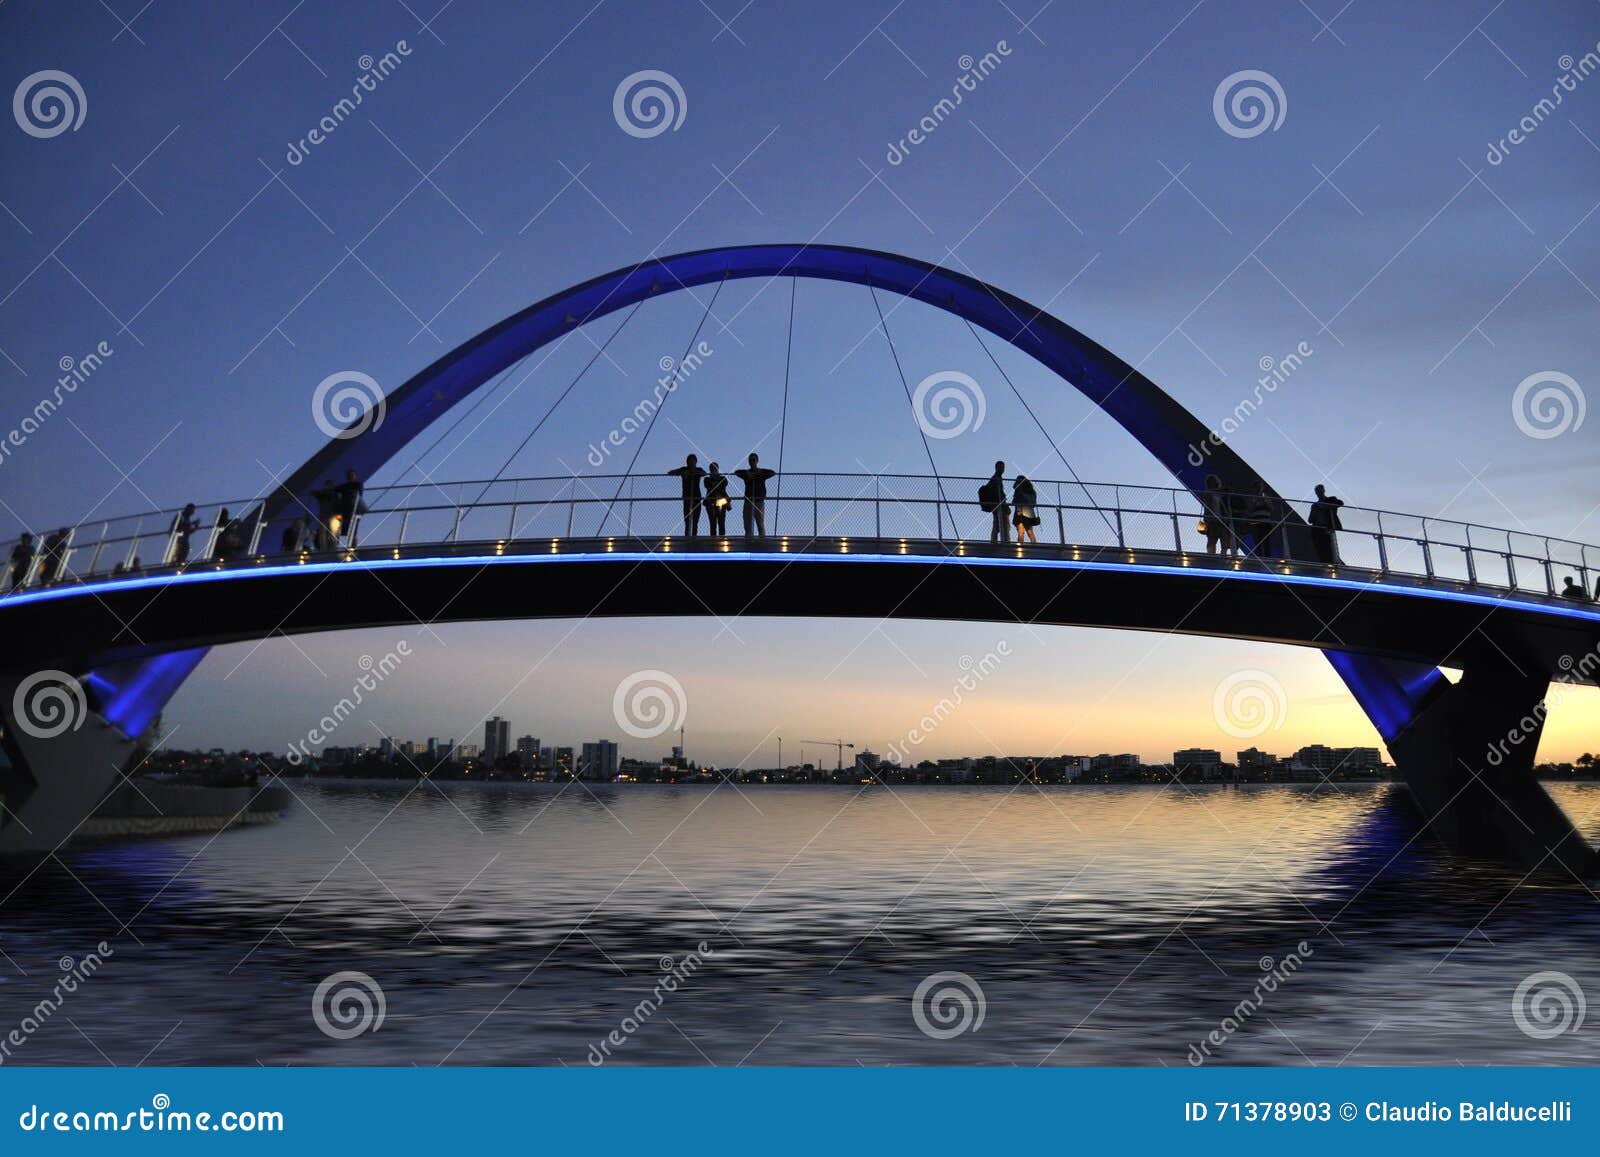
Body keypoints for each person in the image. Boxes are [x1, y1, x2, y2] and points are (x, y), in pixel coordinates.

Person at [733, 452, 776, 539]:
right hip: (748, 501)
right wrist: (748, 474)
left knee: (760, 523)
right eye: (750, 460)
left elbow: (772, 473)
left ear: (757, 461)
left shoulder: (762, 472)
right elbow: (736, 472)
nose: (751, 462)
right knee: (748, 524)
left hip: (759, 501)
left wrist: (758, 474)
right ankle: (748, 541)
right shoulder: (746, 473)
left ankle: (762, 540)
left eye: (753, 460)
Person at [667, 454, 706, 537]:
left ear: (696, 462)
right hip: (687, 498)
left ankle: (694, 537)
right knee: (687, 519)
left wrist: (694, 472)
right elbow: (670, 472)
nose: (691, 463)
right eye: (690, 461)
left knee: (695, 519)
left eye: (693, 461)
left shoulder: (698, 469)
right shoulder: (684, 469)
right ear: (687, 462)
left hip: (696, 497)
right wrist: (683, 472)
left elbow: (704, 473)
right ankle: (687, 537)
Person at [1308, 483, 1344, 565]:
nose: (1318, 493)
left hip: (1328, 528)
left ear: (1323, 491)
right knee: (1319, 547)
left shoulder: (1331, 499)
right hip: (1317, 529)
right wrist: (1315, 511)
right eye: (1317, 491)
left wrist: (1327, 506)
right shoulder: (1315, 505)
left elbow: (1341, 503)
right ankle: (1323, 563)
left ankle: (1330, 563)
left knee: (1330, 547)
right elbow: (1310, 520)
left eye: (1320, 491)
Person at [1200, 474, 1233, 556]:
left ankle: (1223, 556)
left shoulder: (1219, 494)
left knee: (1224, 539)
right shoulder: (1209, 493)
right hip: (1212, 520)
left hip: (1222, 519)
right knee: (1212, 539)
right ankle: (1211, 555)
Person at [1243, 482, 1278, 559]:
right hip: (1255, 523)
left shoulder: (1266, 497)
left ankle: (1267, 559)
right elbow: (1249, 509)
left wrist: (1265, 501)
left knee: (1266, 542)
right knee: (1257, 542)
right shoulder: (1251, 498)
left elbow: (1272, 508)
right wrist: (1256, 501)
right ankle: (1258, 559)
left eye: (1260, 487)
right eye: (1257, 487)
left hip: (1266, 522)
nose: (1259, 488)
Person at [979, 460, 1010, 543]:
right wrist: (1004, 502)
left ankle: (994, 541)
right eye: (1001, 467)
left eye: (1003, 467)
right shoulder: (996, 478)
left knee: (997, 523)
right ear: (997, 468)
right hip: (998, 505)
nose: (1003, 469)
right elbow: (998, 492)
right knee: (1004, 524)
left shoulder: (995, 478)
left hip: (996, 505)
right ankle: (1006, 542)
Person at [334, 470, 364, 547]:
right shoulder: (345, 486)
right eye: (349, 476)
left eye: (352, 475)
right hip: (346, 511)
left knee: (353, 529)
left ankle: (353, 546)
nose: (351, 477)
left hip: (355, 510)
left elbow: (359, 493)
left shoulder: (358, 484)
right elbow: (335, 489)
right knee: (347, 528)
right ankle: (350, 545)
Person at [703, 462, 731, 536]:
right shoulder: (707, 479)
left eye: (715, 468)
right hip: (710, 502)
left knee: (721, 521)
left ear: (718, 469)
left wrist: (714, 483)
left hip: (721, 501)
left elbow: (724, 485)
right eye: (712, 469)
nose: (713, 470)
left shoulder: (722, 478)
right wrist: (717, 484)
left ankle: (721, 538)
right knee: (712, 522)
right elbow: (708, 486)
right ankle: (713, 540)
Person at [1011, 474, 1040, 545]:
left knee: (1026, 531)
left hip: (1023, 511)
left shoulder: (1028, 491)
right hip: (1024, 511)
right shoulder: (1026, 491)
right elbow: (1014, 502)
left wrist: (1021, 494)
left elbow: (1014, 502)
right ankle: (1031, 546)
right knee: (1026, 531)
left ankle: (1021, 546)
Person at [311, 479, 339, 550]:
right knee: (323, 532)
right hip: (324, 516)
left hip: (332, 516)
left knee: (333, 533)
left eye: (328, 486)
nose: (327, 487)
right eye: (326, 485)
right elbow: (314, 493)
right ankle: (324, 548)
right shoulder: (322, 494)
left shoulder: (334, 494)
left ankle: (333, 547)